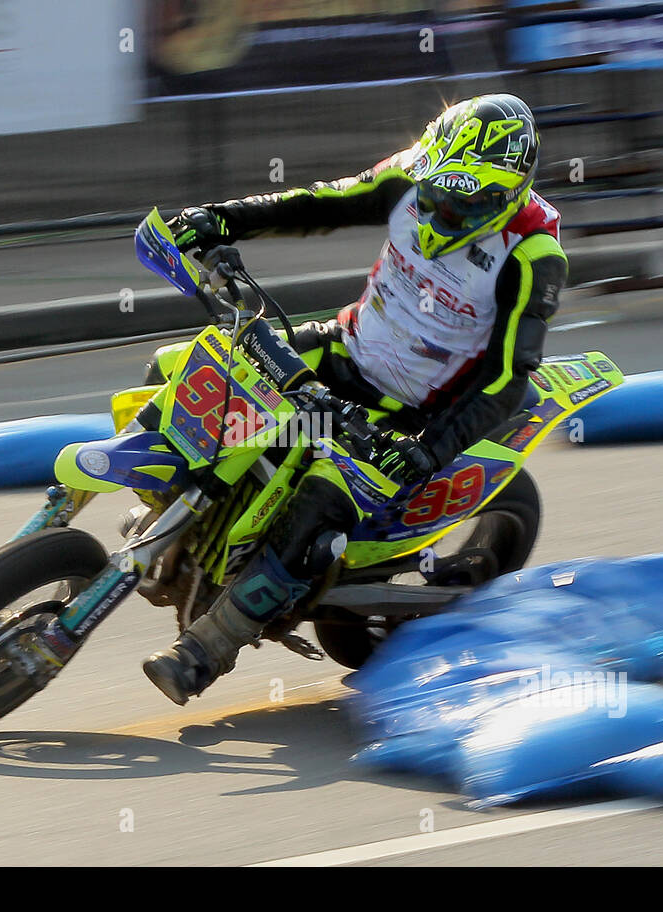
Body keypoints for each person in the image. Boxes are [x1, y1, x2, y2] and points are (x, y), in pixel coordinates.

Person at [142, 93, 567, 705]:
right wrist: (222, 218)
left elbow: (510, 379)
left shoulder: (533, 256)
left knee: (321, 504)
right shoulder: (412, 177)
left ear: (506, 196)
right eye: (437, 189)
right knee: (177, 368)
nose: (440, 208)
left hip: (411, 412)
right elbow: (317, 202)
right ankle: (179, 519)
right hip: (344, 346)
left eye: (462, 202)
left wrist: (426, 451)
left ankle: (208, 648)